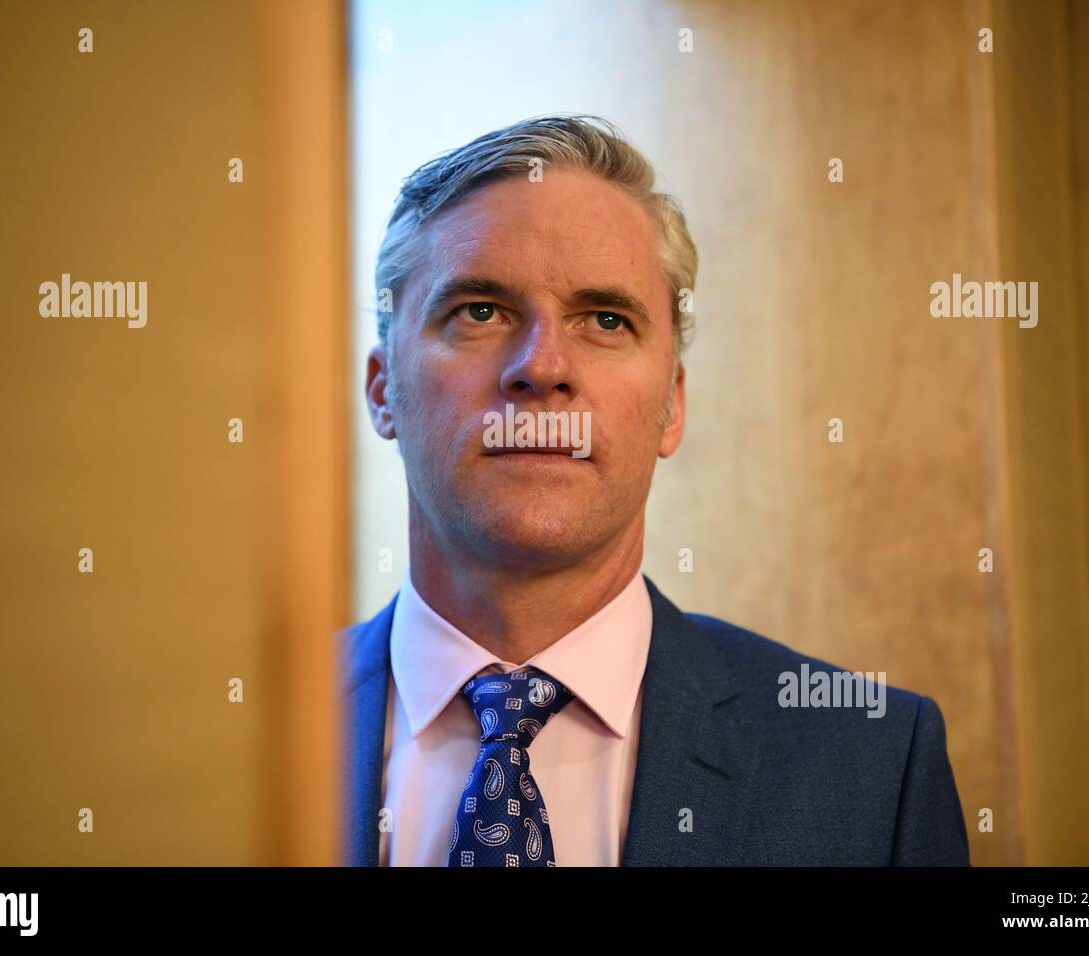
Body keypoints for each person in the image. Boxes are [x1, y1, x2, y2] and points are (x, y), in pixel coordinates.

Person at [341, 114, 970, 867]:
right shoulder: (239, 740)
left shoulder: (874, 764)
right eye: (480, 311)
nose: (542, 367)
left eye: (605, 320)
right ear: (383, 389)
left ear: (672, 404)